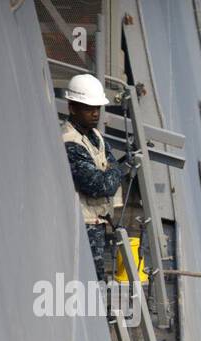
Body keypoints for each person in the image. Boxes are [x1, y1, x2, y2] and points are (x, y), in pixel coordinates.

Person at [60, 73, 138, 280]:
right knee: (89, 280)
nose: (95, 114)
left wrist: (113, 170)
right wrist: (118, 170)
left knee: (97, 279)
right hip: (82, 226)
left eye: (97, 108)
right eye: (88, 108)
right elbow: (101, 185)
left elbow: (110, 168)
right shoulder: (70, 143)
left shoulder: (95, 137)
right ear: (72, 107)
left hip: (98, 224)